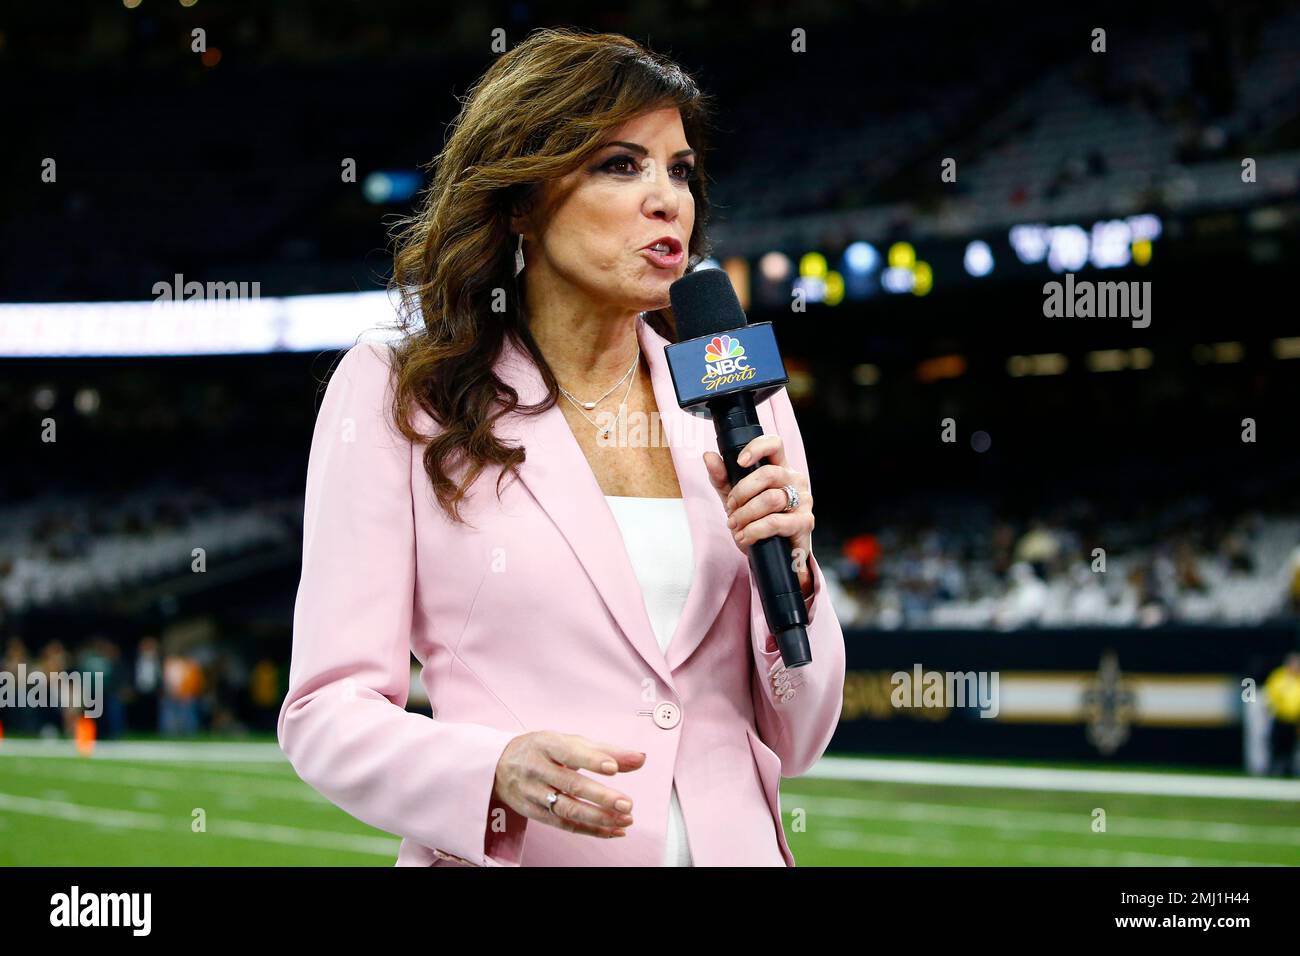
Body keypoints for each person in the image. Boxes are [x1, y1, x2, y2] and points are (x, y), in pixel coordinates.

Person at [278, 27, 845, 867]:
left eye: (680, 169)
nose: (669, 200)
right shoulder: (400, 391)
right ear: (520, 200)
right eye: (622, 165)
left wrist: (793, 577)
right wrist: (490, 770)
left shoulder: (740, 397)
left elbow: (797, 741)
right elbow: (325, 710)